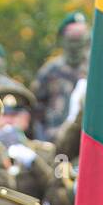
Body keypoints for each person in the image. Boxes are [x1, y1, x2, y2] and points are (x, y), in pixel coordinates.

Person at [31, 11, 91, 141]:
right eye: (72, 34)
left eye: (80, 34)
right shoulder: (50, 70)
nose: (76, 40)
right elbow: (36, 109)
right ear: (64, 37)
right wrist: (42, 139)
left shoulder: (96, 69)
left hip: (89, 137)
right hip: (54, 137)